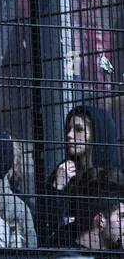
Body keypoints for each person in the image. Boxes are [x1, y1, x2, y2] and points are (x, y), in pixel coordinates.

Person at [42, 105, 121, 246]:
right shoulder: (62, 171)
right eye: (68, 129)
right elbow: (44, 225)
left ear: (96, 134)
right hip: (67, 249)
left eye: (78, 129)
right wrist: (57, 188)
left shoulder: (115, 177)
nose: (69, 135)